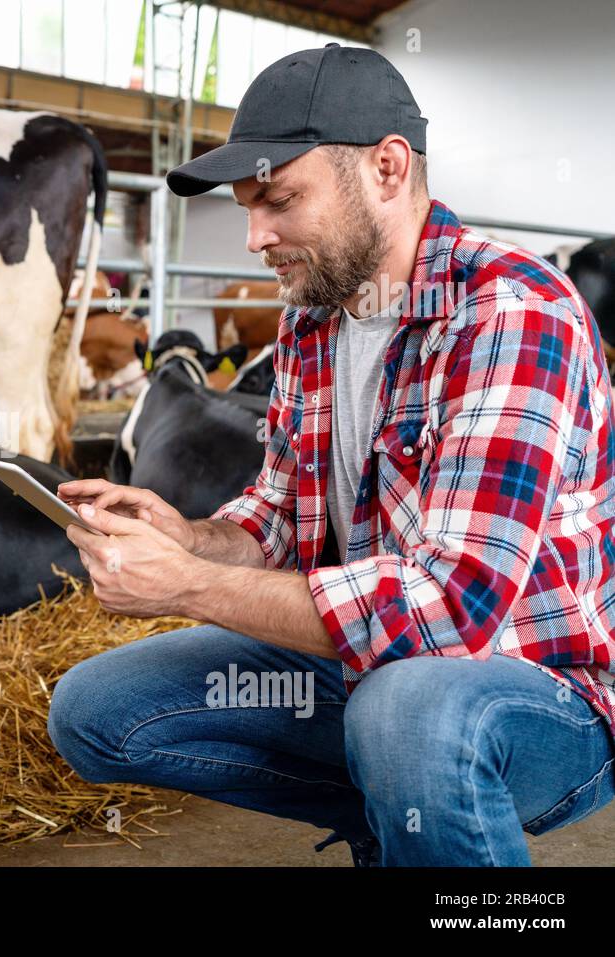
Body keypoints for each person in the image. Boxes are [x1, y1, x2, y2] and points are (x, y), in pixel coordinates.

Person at [47, 42, 615, 866]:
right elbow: (279, 514)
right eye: (247, 208)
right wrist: (187, 537)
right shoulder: (315, 316)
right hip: (378, 667)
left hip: (538, 692)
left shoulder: (511, 314)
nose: (253, 237)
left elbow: (452, 612)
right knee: (97, 707)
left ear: (387, 168)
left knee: (408, 713)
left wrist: (192, 587)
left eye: (277, 200)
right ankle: (400, 822)